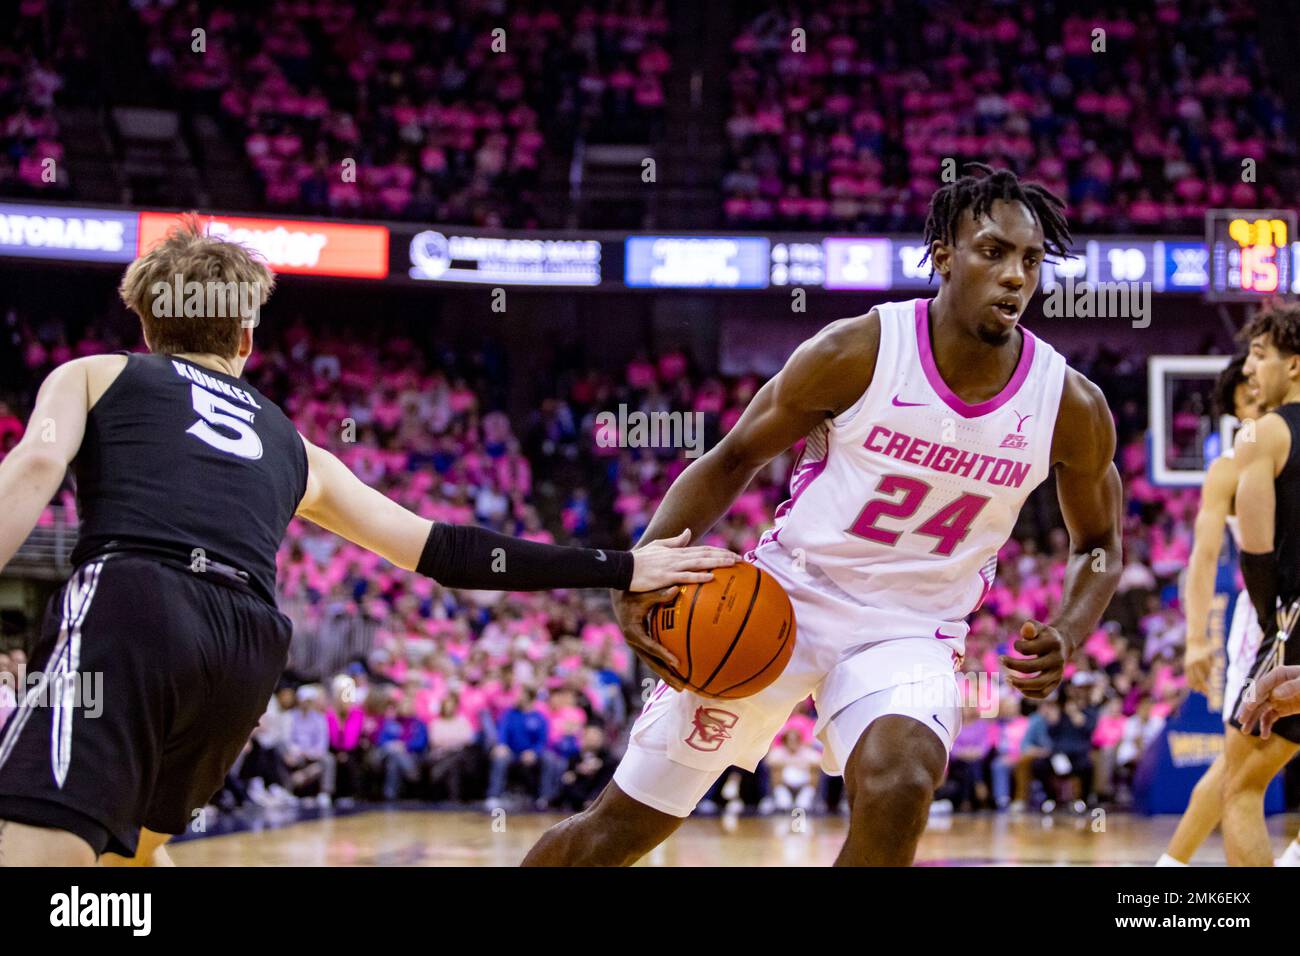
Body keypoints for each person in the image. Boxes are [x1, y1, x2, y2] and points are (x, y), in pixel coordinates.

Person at [0, 216, 736, 866]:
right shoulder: (293, 444)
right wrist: (623, 563)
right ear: (248, 334)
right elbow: (444, 549)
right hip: (250, 646)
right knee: (130, 854)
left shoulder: (97, 373)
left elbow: (35, 462)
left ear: (146, 327)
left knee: (37, 838)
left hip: (134, 601)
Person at [522, 165, 1124, 866]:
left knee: (900, 782)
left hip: (912, 629)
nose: (1016, 275)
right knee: (610, 836)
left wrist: (1070, 629)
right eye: (993, 252)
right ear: (944, 257)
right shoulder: (859, 351)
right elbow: (730, 458)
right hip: (780, 602)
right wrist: (640, 570)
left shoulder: (1071, 405)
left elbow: (1102, 541)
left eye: (1029, 260)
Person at [1157, 354, 1299, 865]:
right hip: (1267, 619)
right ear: (1238, 403)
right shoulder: (1233, 465)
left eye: (1264, 371)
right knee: (1238, 768)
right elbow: (1203, 557)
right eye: (1248, 384)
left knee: (1242, 771)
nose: (1259, 388)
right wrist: (1197, 637)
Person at [1223, 305, 1300, 865]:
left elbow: (1257, 554)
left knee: (1242, 789)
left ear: (1293, 366)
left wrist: (1273, 627)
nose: (1251, 370)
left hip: (1292, 624)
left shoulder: (1264, 434)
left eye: (1260, 355)